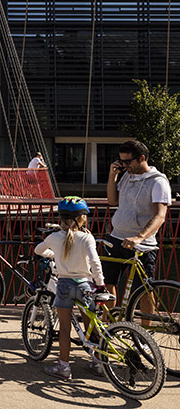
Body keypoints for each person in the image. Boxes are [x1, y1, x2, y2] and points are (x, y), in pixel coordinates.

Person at [35, 197, 105, 379]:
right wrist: (101, 284)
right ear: (82, 219)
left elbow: (38, 251)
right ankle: (98, 364)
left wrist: (54, 255)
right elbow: (95, 263)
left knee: (65, 329)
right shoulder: (87, 237)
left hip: (64, 284)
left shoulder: (54, 237)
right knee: (92, 326)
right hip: (85, 284)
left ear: (61, 218)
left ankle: (64, 367)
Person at [104, 140, 170, 313]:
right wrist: (113, 175)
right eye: (121, 161)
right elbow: (112, 201)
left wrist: (139, 237)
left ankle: (145, 333)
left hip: (142, 244)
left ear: (142, 158)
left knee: (144, 290)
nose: (124, 165)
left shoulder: (157, 181)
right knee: (107, 282)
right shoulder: (126, 175)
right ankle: (109, 324)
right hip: (116, 237)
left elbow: (160, 216)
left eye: (127, 161)